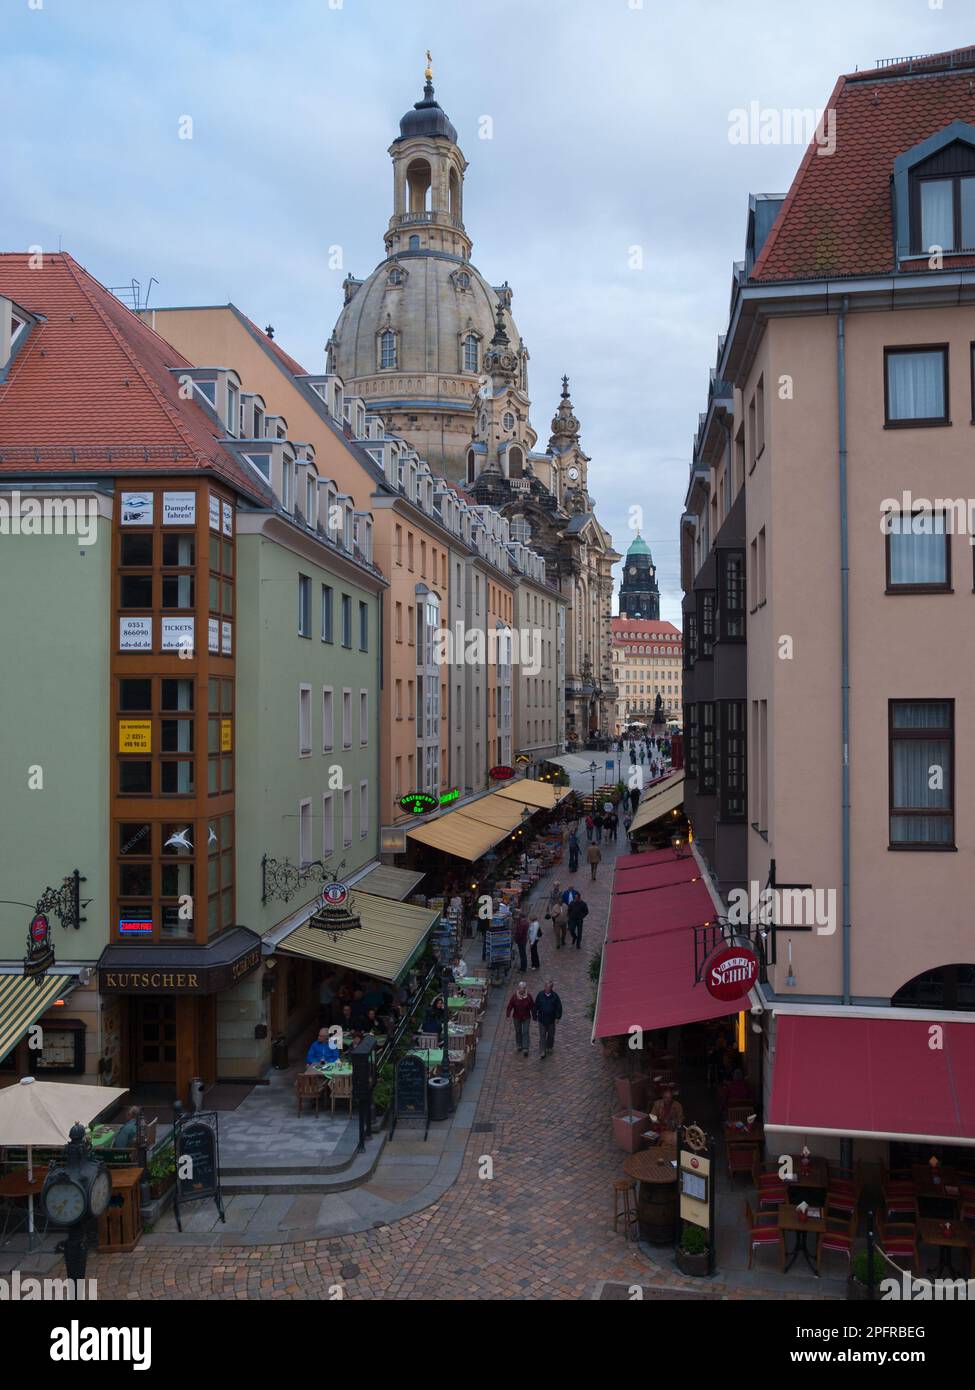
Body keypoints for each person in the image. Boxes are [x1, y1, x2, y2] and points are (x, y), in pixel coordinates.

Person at [505, 981, 536, 1057]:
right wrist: (508, 1015)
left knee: (525, 1032)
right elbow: (510, 1006)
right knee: (518, 1031)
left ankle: (526, 1048)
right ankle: (519, 1044)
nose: (522, 990)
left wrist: (534, 1015)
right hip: (517, 1017)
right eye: (521, 989)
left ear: (525, 989)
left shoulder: (528, 996)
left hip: (526, 1017)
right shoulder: (514, 996)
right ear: (518, 989)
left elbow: (532, 1006)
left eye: (523, 989)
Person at [535, 980, 563, 1059]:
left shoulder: (555, 996)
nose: (546, 988)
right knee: (542, 1035)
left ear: (551, 988)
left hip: (551, 1020)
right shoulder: (540, 995)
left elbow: (559, 1007)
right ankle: (542, 1051)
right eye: (545, 987)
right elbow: (536, 1005)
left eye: (548, 987)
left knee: (551, 1035)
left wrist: (558, 1017)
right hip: (542, 1019)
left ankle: (549, 1046)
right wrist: (535, 1015)